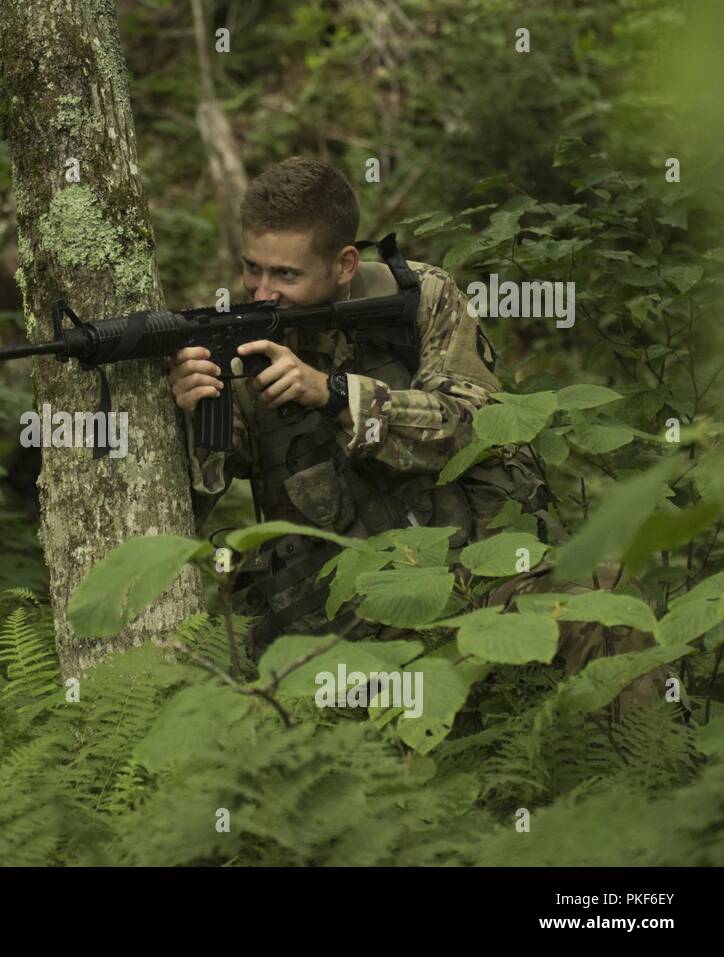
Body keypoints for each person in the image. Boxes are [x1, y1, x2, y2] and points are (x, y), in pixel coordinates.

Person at [169, 158, 663, 717]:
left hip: (477, 572)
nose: (262, 292)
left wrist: (335, 394)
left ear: (345, 263)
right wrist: (194, 414)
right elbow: (184, 511)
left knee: (610, 605)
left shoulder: (420, 299)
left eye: (285, 275)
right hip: (341, 621)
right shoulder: (232, 348)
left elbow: (473, 427)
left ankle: (651, 778)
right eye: (250, 269)